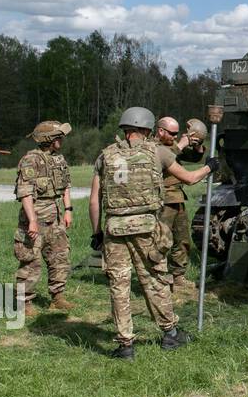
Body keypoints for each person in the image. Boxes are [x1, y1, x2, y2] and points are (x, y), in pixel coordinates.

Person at [89, 107, 216, 359]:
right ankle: (170, 334)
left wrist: (97, 233)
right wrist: (210, 167)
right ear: (148, 129)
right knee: (155, 280)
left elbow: (94, 201)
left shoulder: (105, 156)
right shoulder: (158, 152)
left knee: (119, 287)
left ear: (124, 128)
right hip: (146, 229)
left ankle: (125, 345)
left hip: (114, 229)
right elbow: (189, 178)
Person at [13, 120, 75, 317]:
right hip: (36, 218)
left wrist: (68, 209)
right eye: (59, 137)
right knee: (31, 261)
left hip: (55, 217)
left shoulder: (59, 159)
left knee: (60, 257)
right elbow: (25, 193)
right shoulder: (31, 160)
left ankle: (57, 297)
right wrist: (31, 220)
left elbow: (65, 186)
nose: (62, 140)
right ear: (49, 139)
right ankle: (25, 302)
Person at [154, 116, 214, 295]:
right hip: (162, 199)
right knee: (161, 241)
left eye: (177, 133)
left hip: (177, 197)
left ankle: (178, 277)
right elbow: (165, 160)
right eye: (172, 133)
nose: (175, 136)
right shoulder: (152, 147)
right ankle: (158, 278)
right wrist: (180, 144)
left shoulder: (171, 145)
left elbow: (193, 157)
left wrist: (196, 145)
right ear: (160, 131)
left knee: (182, 240)